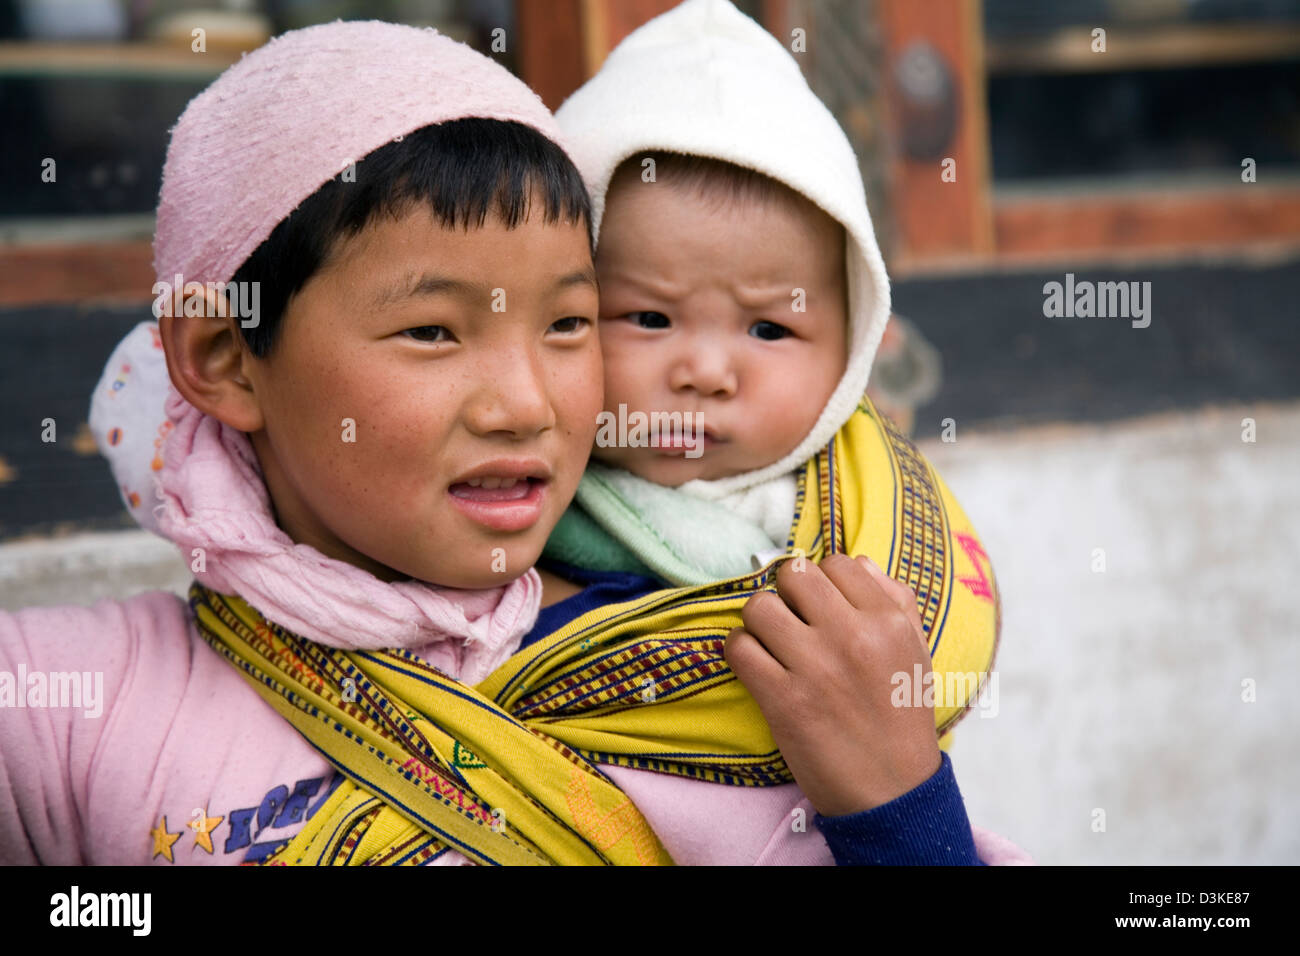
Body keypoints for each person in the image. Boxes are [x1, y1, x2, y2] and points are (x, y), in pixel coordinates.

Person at [1, 20, 1026, 865]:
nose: (527, 404)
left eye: (569, 323)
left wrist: (898, 813)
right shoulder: (79, 705)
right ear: (226, 354)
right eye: (433, 330)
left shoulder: (724, 685)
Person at [537, 0, 1022, 862]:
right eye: (647, 316)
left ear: (851, 350)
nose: (707, 372)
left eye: (769, 329)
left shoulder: (883, 532)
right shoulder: (501, 530)